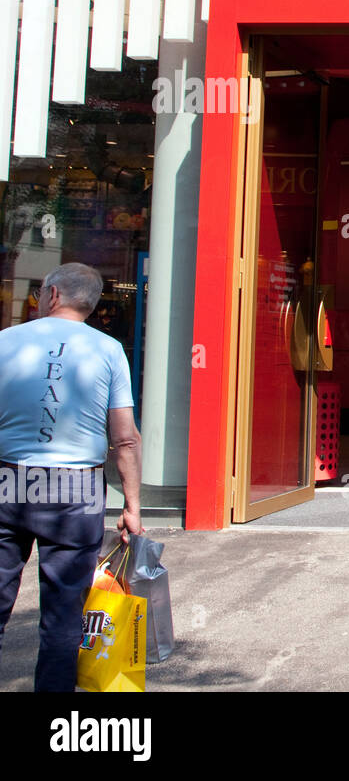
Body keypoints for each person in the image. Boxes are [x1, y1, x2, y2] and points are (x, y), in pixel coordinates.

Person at [0, 263, 142, 691]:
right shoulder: (109, 350)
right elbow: (125, 439)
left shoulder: (6, 341)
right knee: (63, 615)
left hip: (9, 480)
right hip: (74, 488)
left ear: (53, 294)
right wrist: (132, 506)